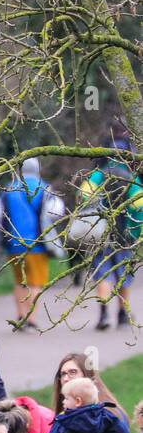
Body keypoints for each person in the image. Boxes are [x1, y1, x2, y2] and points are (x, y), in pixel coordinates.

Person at [0, 157, 65, 328]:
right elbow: (57, 212)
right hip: (37, 245)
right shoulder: (45, 188)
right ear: (38, 169)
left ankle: (21, 316)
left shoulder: (7, 190)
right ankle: (31, 320)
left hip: (13, 245)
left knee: (20, 282)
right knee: (35, 283)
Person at [78, 137, 141, 330]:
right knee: (123, 275)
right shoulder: (130, 177)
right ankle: (122, 315)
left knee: (103, 274)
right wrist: (137, 230)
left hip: (100, 235)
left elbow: (83, 197)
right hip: (125, 236)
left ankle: (103, 315)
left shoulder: (98, 175)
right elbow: (140, 205)